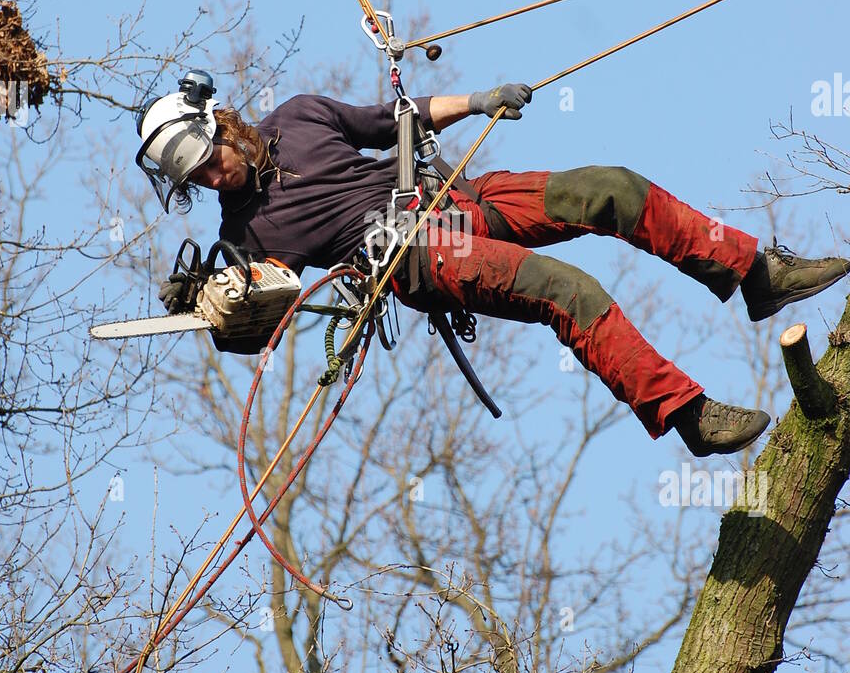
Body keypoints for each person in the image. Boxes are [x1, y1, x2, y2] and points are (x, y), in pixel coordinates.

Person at [135, 72, 850, 457]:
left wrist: (476, 101)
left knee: (612, 189)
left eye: (211, 161)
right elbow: (255, 317)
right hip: (415, 252)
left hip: (453, 194)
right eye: (197, 181)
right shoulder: (245, 235)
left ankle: (754, 273)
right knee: (568, 292)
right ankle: (685, 414)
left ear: (219, 124)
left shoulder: (297, 116)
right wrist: (202, 305)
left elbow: (394, 119)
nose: (214, 178)